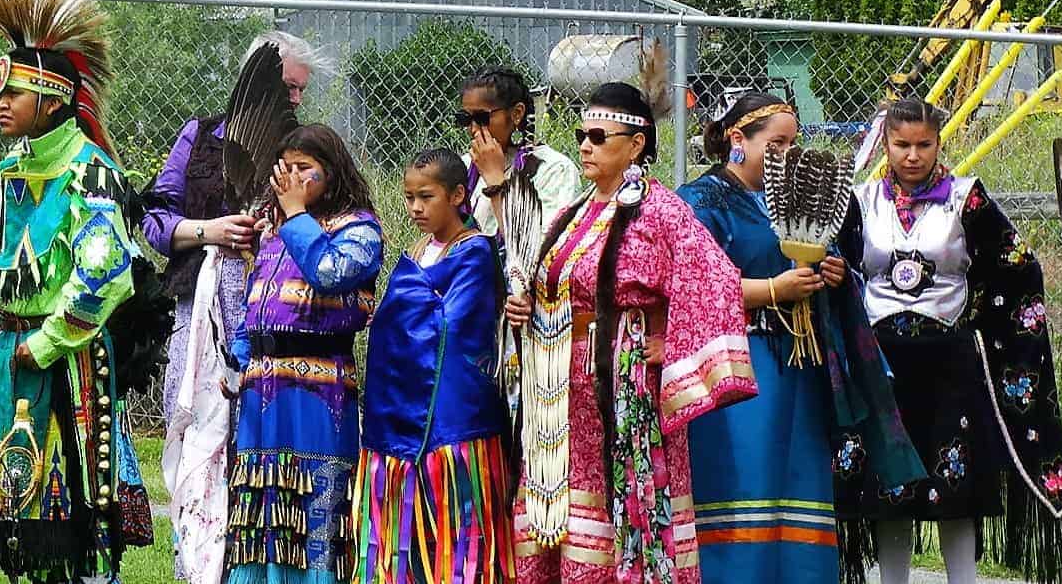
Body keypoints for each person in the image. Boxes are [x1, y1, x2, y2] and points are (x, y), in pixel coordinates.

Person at [0, 0, 154, 583]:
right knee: (14, 508)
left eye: (14, 93)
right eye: (2, 92)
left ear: (53, 98)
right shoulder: (11, 173)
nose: (1, 103)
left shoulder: (88, 172)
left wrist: (44, 341)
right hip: (11, 361)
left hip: (66, 363)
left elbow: (104, 275)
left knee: (70, 511)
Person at [508, 81, 754, 584]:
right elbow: (559, 283)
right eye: (582, 135)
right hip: (558, 399)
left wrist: (670, 344)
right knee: (560, 510)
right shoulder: (573, 212)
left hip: (624, 394)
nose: (585, 146)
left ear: (636, 143)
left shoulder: (662, 211)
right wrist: (528, 306)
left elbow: (714, 279)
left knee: (621, 508)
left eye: (599, 136)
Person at [676, 92, 922, 583]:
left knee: (799, 485)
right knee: (744, 484)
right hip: (740, 368)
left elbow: (834, 261)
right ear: (737, 140)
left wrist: (833, 273)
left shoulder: (790, 199)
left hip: (802, 366)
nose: (786, 154)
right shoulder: (699, 201)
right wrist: (773, 289)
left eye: (793, 142)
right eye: (776, 143)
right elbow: (691, 285)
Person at [836, 98, 1062, 584]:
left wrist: (980, 325)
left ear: (939, 143)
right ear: (886, 143)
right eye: (902, 144)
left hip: (949, 363)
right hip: (883, 366)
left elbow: (1017, 264)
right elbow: (839, 272)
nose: (912, 155)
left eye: (924, 144)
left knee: (956, 489)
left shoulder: (966, 197)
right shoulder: (861, 201)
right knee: (892, 488)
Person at [144, 30, 323, 584]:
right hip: (194, 317)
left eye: (299, 90)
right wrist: (208, 231)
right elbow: (154, 219)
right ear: (256, 79)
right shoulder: (198, 138)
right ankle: (196, 565)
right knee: (196, 439)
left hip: (270, 324)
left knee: (255, 453)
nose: (293, 99)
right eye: (286, 86)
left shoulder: (305, 153)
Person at [224, 124, 384, 584]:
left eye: (304, 169)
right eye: (286, 169)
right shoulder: (275, 231)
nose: (292, 179)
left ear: (330, 174)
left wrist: (295, 216)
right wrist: (238, 358)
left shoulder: (360, 229)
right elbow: (257, 304)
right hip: (263, 385)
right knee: (261, 502)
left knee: (315, 501)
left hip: (319, 391)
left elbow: (329, 274)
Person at [355, 148, 514, 584]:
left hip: (453, 419)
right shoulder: (416, 251)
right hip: (395, 407)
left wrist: (400, 313)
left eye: (426, 197)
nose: (414, 208)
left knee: (458, 532)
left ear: (458, 195)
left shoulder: (476, 252)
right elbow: (395, 317)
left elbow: (454, 325)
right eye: (409, 198)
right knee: (408, 538)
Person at [459, 65, 581, 234]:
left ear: (517, 113)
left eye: (481, 118)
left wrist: (495, 179)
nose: (473, 129)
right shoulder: (465, 165)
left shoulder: (554, 170)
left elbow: (538, 247)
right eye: (465, 119)